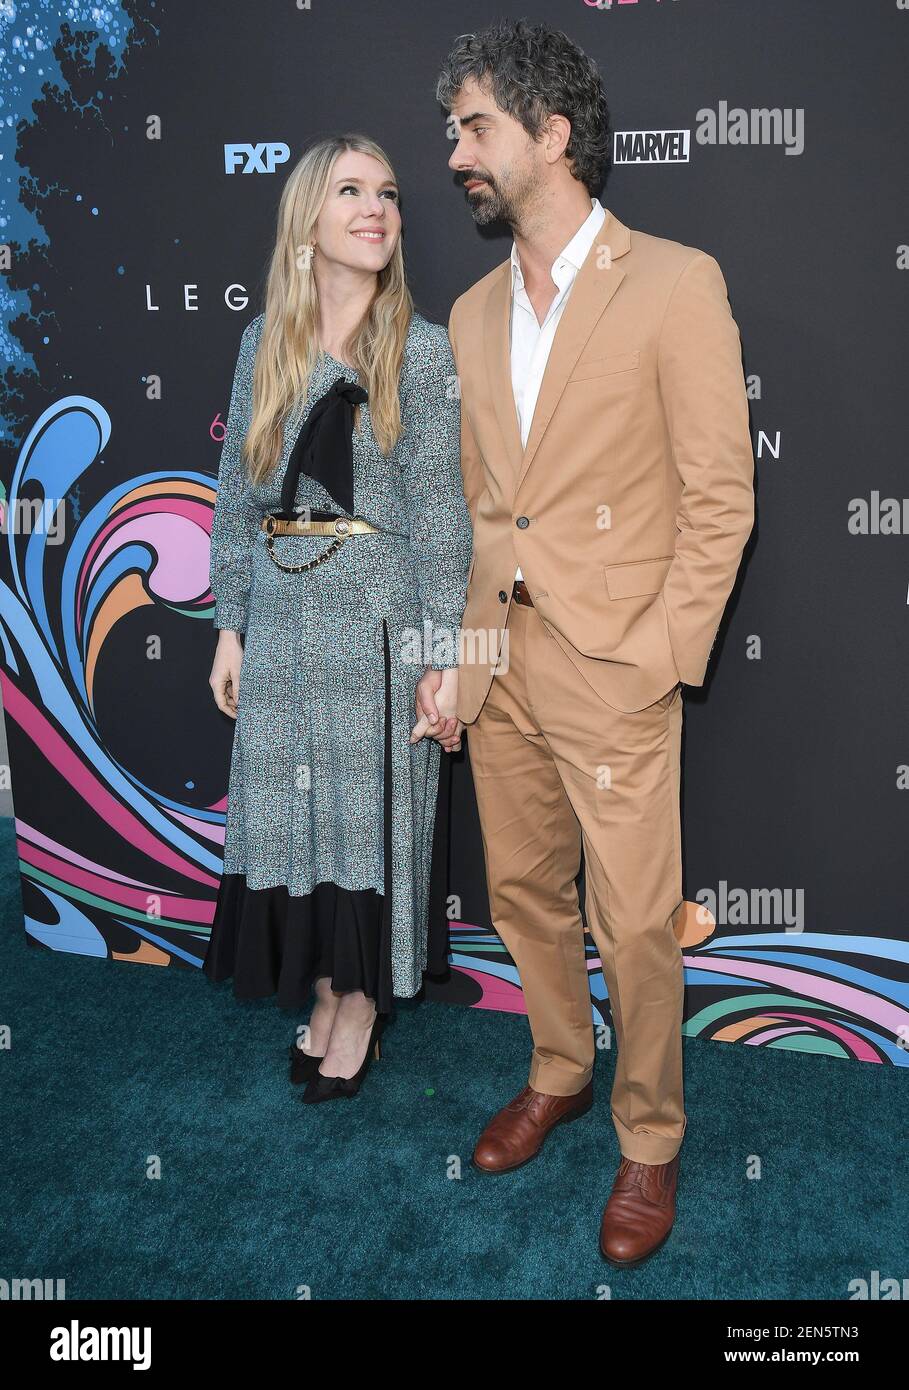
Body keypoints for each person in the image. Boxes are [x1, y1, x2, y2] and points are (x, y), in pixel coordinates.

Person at [432, 20, 755, 1263]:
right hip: (499, 662)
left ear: (551, 134)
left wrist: (663, 653)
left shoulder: (676, 282)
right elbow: (477, 513)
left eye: (475, 127)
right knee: (520, 892)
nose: (456, 151)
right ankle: (560, 1066)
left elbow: (720, 496)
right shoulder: (465, 311)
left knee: (631, 921)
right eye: (455, 129)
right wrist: (461, 662)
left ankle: (651, 1141)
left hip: (617, 667)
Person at [203, 134, 472, 1103]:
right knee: (293, 824)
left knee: (366, 826)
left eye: (389, 194)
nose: (377, 209)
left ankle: (359, 1008)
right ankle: (320, 984)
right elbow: (236, 495)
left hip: (376, 620)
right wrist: (230, 624)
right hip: (277, 614)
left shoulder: (425, 349)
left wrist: (444, 657)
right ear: (306, 219)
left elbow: (444, 518)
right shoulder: (261, 342)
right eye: (351, 191)